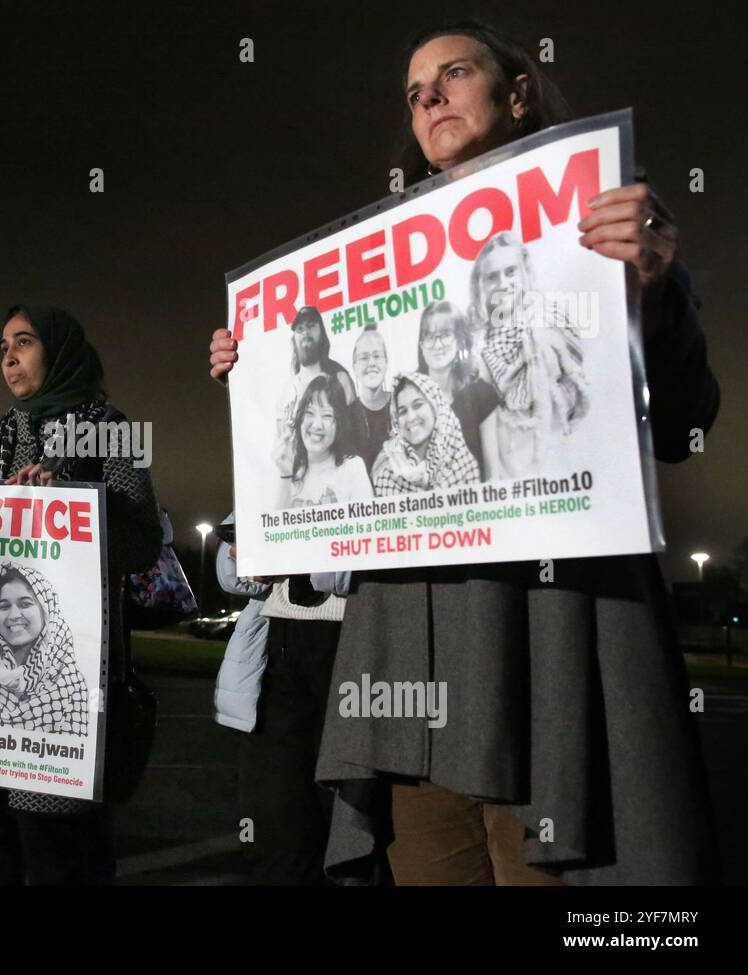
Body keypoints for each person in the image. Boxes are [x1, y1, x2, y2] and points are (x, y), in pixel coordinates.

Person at [209, 21, 719, 884]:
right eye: (414, 92)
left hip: (550, 638)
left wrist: (654, 290)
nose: (430, 99)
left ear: (517, 93)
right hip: (405, 656)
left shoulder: (600, 228)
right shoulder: (383, 278)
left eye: (453, 75)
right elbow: (354, 426)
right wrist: (255, 378)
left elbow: (681, 422)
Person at [0, 303, 162, 886]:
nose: (9, 356)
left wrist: (72, 499)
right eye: (2, 345)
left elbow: (142, 541)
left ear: (59, 350)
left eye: (25, 342)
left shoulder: (107, 429)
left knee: (56, 849)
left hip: (64, 686)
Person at [470, 232, 588, 478]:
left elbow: (573, 390)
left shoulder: (550, 318)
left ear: (524, 272)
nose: (502, 284)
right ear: (481, 284)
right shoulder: (480, 343)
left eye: (510, 272)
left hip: (559, 459)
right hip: (508, 465)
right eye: (492, 277)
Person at [0, 562, 88, 735]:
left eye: (25, 604)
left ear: (46, 610)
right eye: (4, 606)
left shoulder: (69, 683)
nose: (13, 616)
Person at [271, 307, 357, 504]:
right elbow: (281, 443)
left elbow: (354, 436)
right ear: (293, 338)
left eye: (311, 326)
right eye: (300, 329)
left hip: (335, 489)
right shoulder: (285, 390)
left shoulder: (340, 378)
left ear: (322, 332)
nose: (305, 333)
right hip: (296, 489)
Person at [415, 301, 500, 475]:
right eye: (429, 337)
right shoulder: (409, 400)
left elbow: (494, 475)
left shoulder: (481, 395)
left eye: (445, 335)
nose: (437, 345)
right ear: (421, 345)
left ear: (459, 340)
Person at [372, 372, 481, 495]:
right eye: (402, 412)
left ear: (435, 408)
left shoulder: (460, 460)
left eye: (417, 405)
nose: (411, 418)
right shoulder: (388, 472)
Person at [288, 375, 373, 507]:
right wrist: (284, 476)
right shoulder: (287, 468)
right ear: (300, 417)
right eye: (309, 412)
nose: (316, 425)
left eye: (327, 415)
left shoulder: (353, 468)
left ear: (340, 423)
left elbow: (368, 525)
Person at [347, 326, 392, 471]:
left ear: (386, 362)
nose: (371, 363)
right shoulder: (346, 416)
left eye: (377, 356)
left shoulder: (402, 404)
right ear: (354, 366)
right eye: (364, 357)